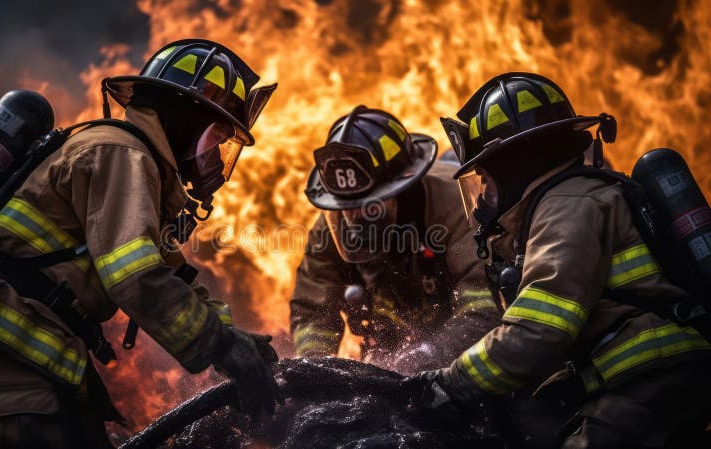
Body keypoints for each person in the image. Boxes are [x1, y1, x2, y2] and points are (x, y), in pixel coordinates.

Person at [0, 39, 281, 449]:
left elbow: (169, 272)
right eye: (217, 137)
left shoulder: (136, 167)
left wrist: (235, 338)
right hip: (3, 327)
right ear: (184, 116)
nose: (217, 157)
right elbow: (135, 276)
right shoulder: (122, 152)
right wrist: (222, 345)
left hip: (28, 334)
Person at [404, 72, 711, 448]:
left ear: (515, 163)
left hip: (654, 376)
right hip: (643, 376)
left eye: (485, 176)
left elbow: (541, 326)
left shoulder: (566, 205)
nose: (483, 195)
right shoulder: (571, 199)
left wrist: (452, 382)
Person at [290, 106, 500, 374]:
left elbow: (484, 310)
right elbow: (311, 311)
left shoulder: (456, 208)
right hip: (396, 341)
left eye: (371, 205)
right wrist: (318, 370)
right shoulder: (332, 227)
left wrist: (423, 360)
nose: (355, 219)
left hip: (455, 356)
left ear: (402, 189)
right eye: (347, 207)